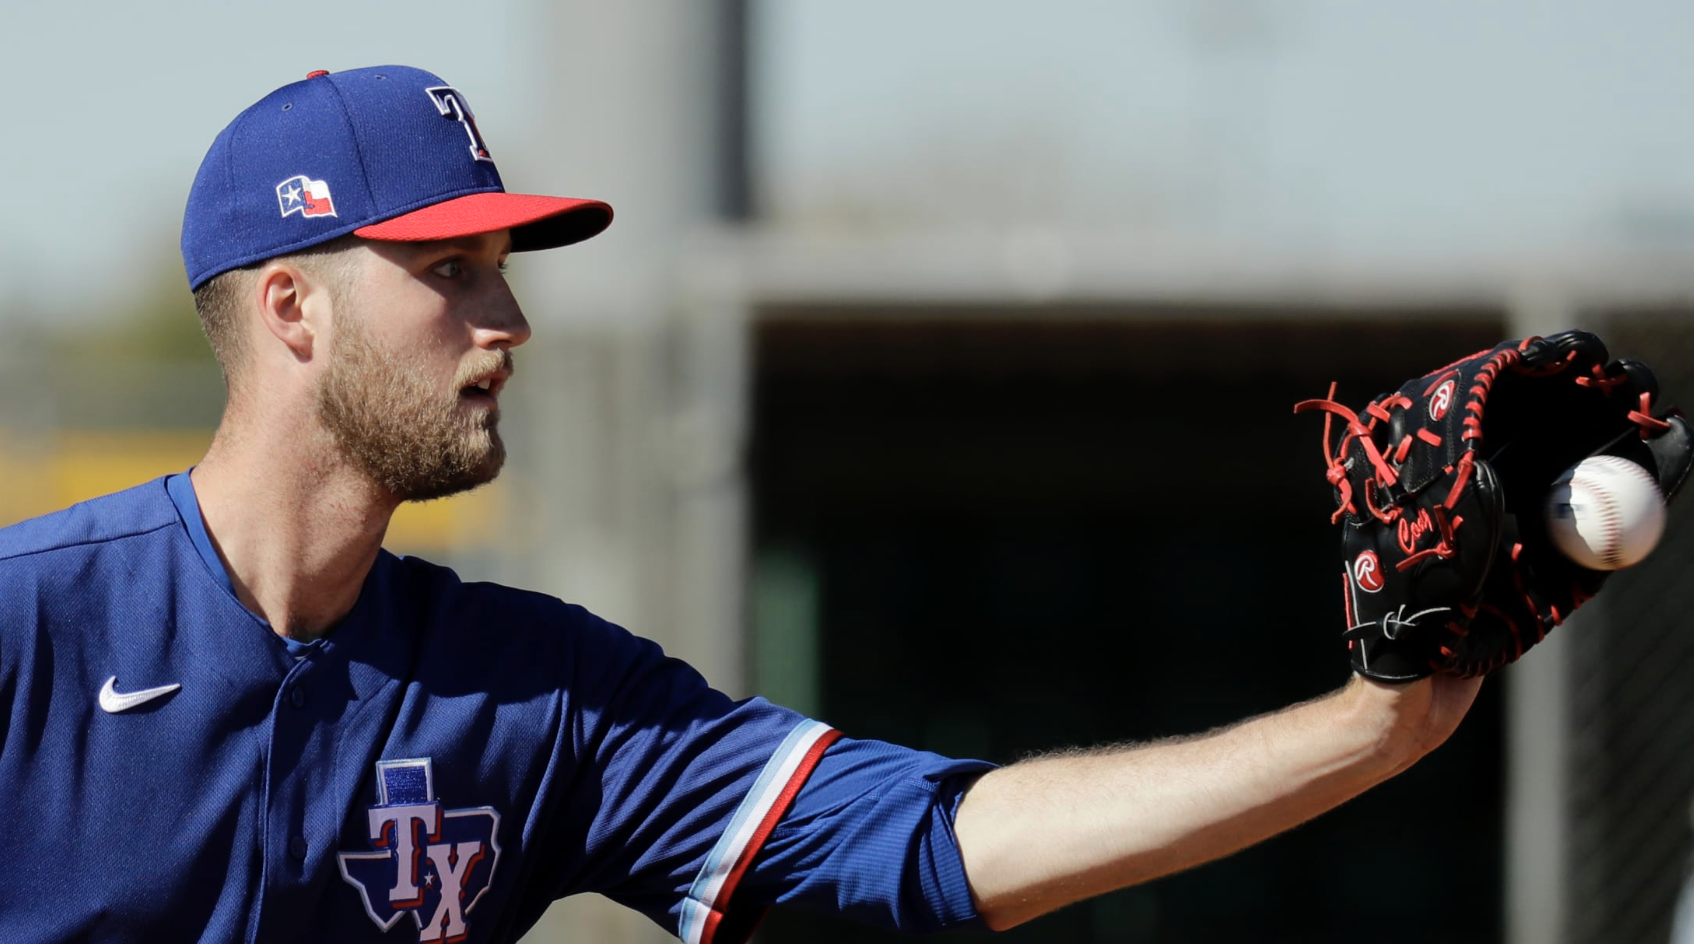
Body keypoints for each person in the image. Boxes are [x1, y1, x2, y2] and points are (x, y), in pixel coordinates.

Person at [0, 65, 1481, 943]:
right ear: (291, 311)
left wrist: (1375, 728)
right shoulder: (35, 628)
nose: (505, 318)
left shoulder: (537, 696)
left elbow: (938, 847)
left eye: (501, 268)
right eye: (447, 272)